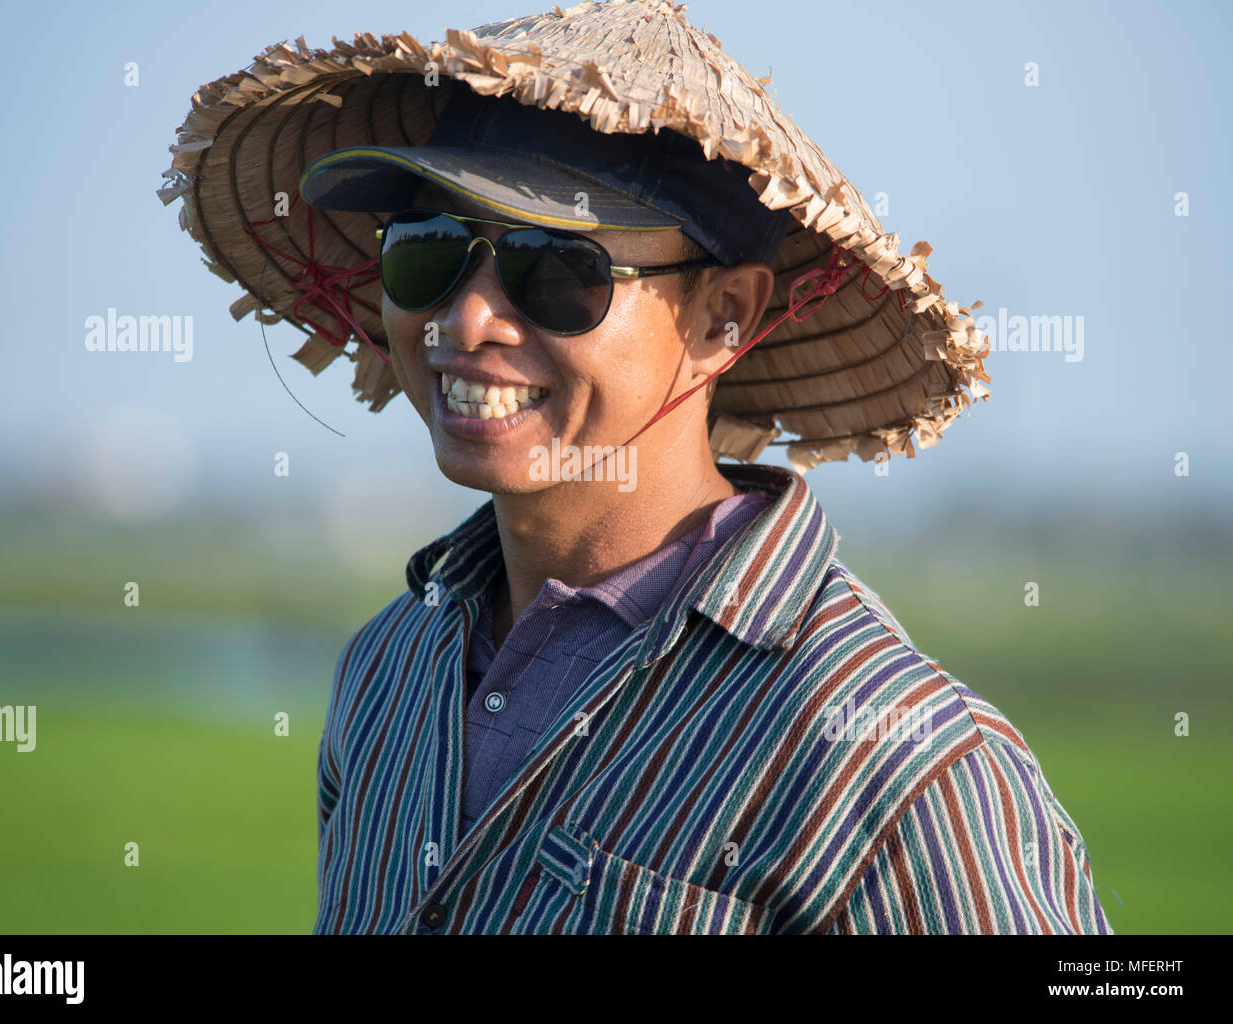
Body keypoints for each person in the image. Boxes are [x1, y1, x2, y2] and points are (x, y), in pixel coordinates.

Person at [161, 0, 1110, 934]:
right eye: (430, 249)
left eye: (555, 268)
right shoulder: (390, 671)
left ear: (721, 319)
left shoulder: (896, 759)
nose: (467, 320)